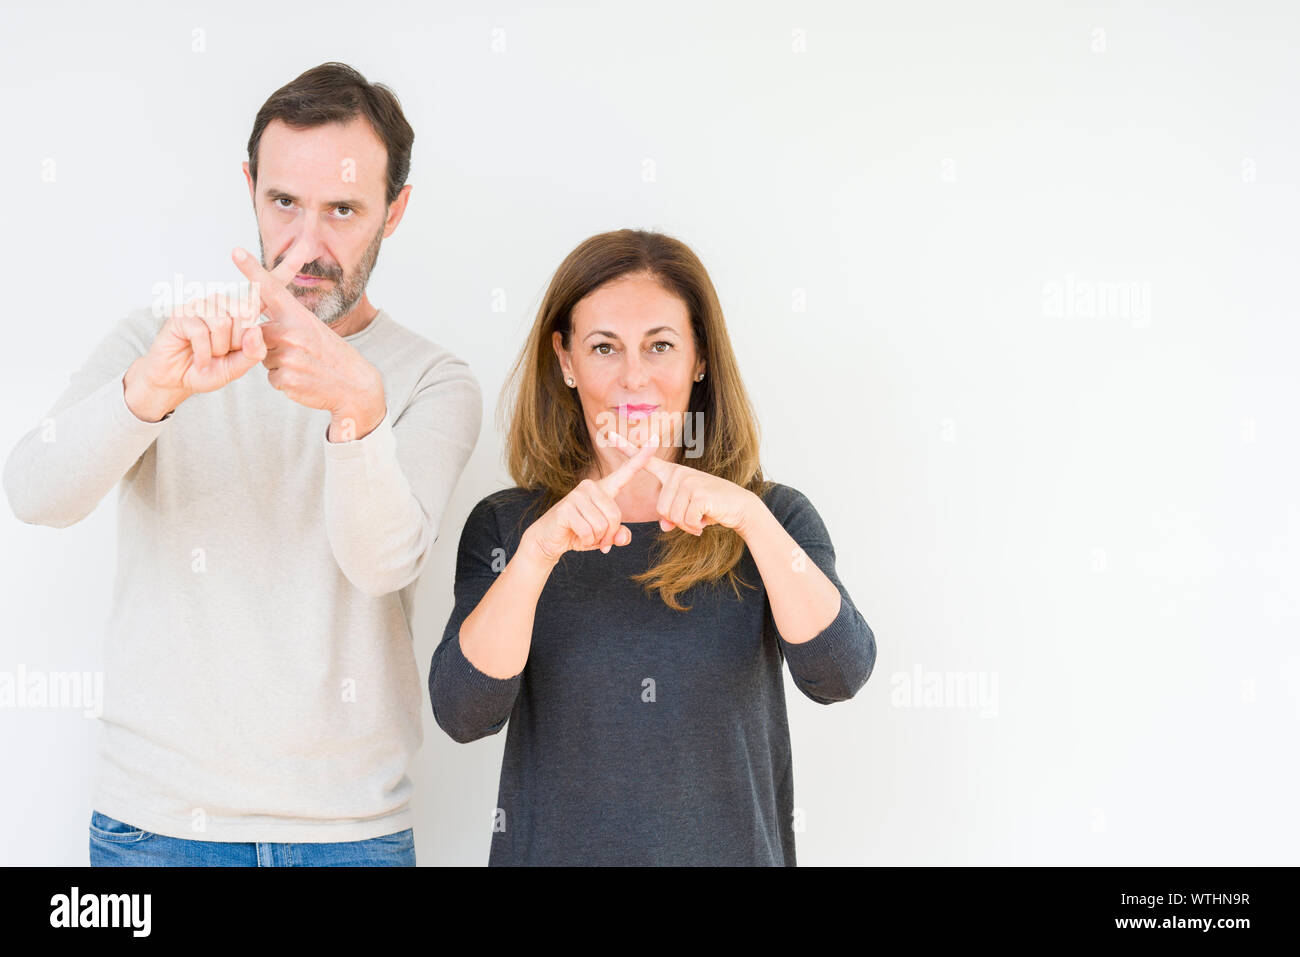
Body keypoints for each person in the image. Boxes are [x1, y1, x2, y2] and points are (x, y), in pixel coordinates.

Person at [2, 62, 482, 866]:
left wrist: (357, 415)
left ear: (394, 211)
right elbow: (32, 492)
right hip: (155, 826)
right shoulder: (158, 342)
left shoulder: (434, 380)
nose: (307, 245)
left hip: (349, 833)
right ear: (251, 186)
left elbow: (379, 565)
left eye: (344, 211)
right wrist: (148, 393)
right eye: (284, 202)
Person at [428, 228, 876, 865]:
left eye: (660, 345)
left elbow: (840, 673)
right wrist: (535, 557)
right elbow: (463, 713)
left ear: (699, 360)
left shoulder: (773, 517)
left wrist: (749, 517)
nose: (633, 377)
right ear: (565, 360)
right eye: (604, 347)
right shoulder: (509, 528)